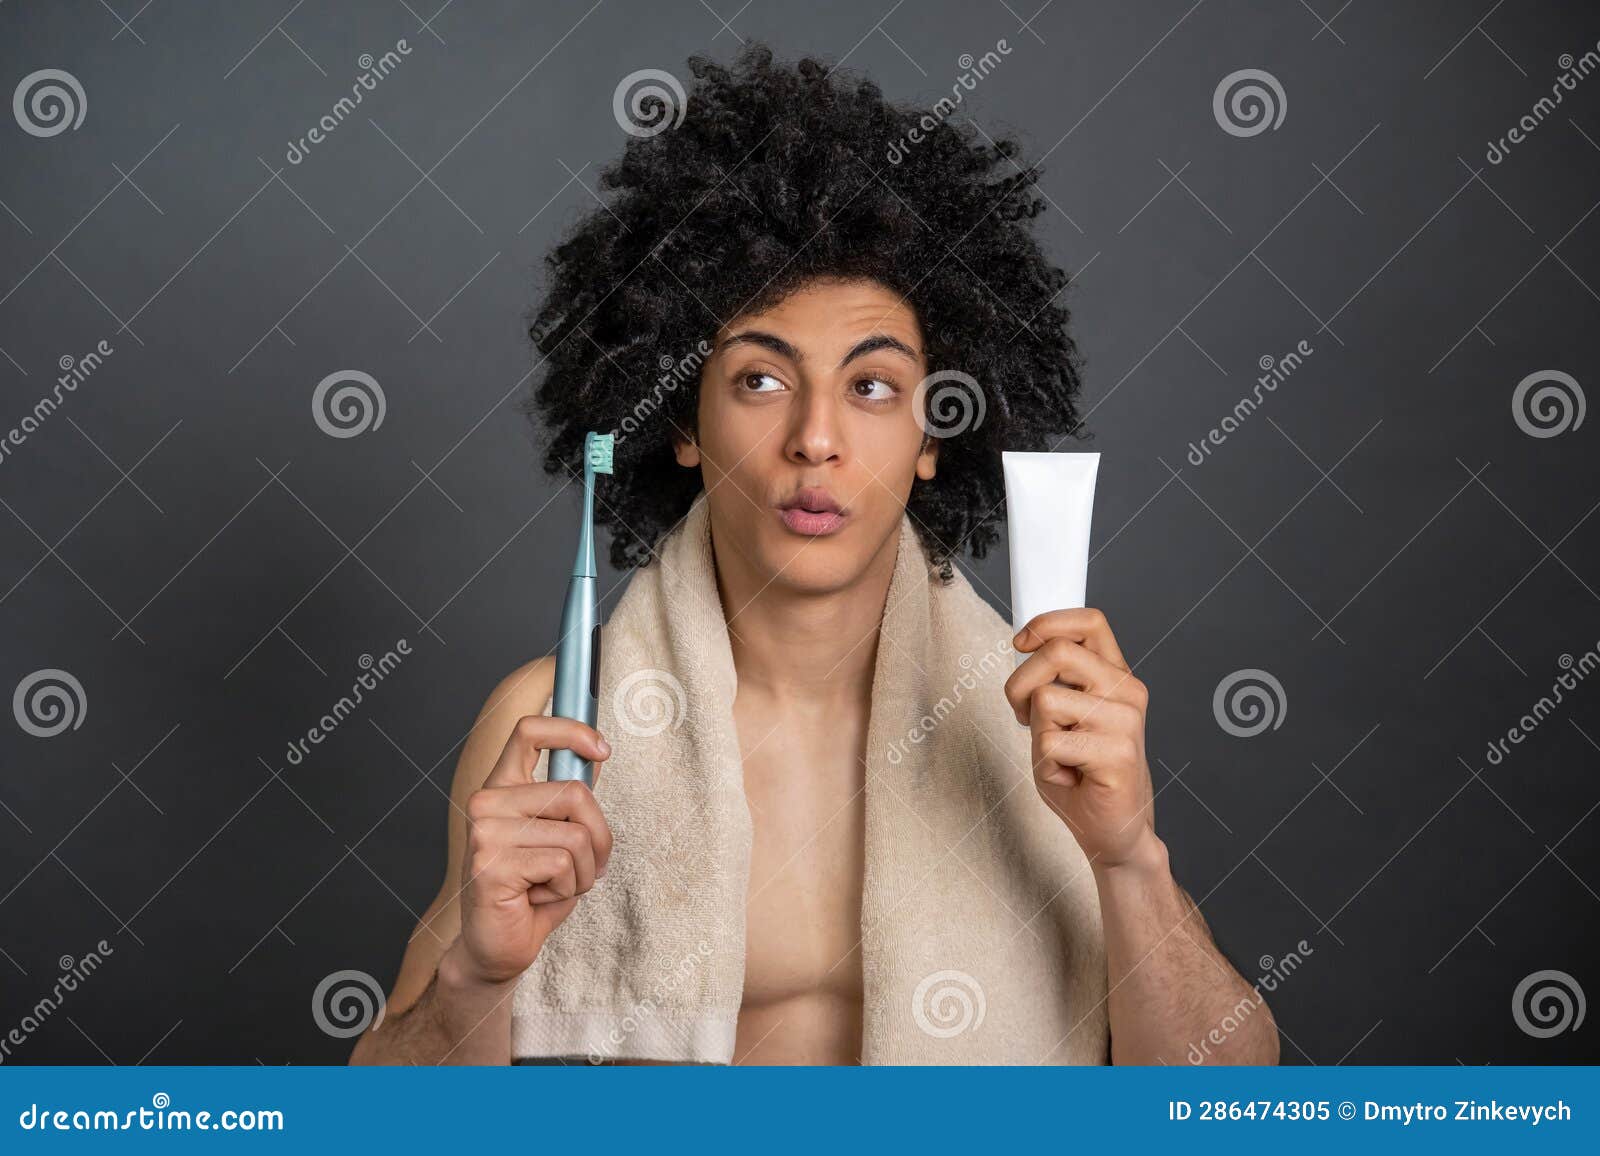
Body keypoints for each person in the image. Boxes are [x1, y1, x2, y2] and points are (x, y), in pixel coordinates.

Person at [350, 45, 1276, 1066]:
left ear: (935, 435)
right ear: (682, 423)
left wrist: (1128, 857)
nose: (816, 438)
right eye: (758, 380)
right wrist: (481, 975)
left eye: (873, 386)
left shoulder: (1042, 723)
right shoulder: (552, 727)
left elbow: (1222, 1102)